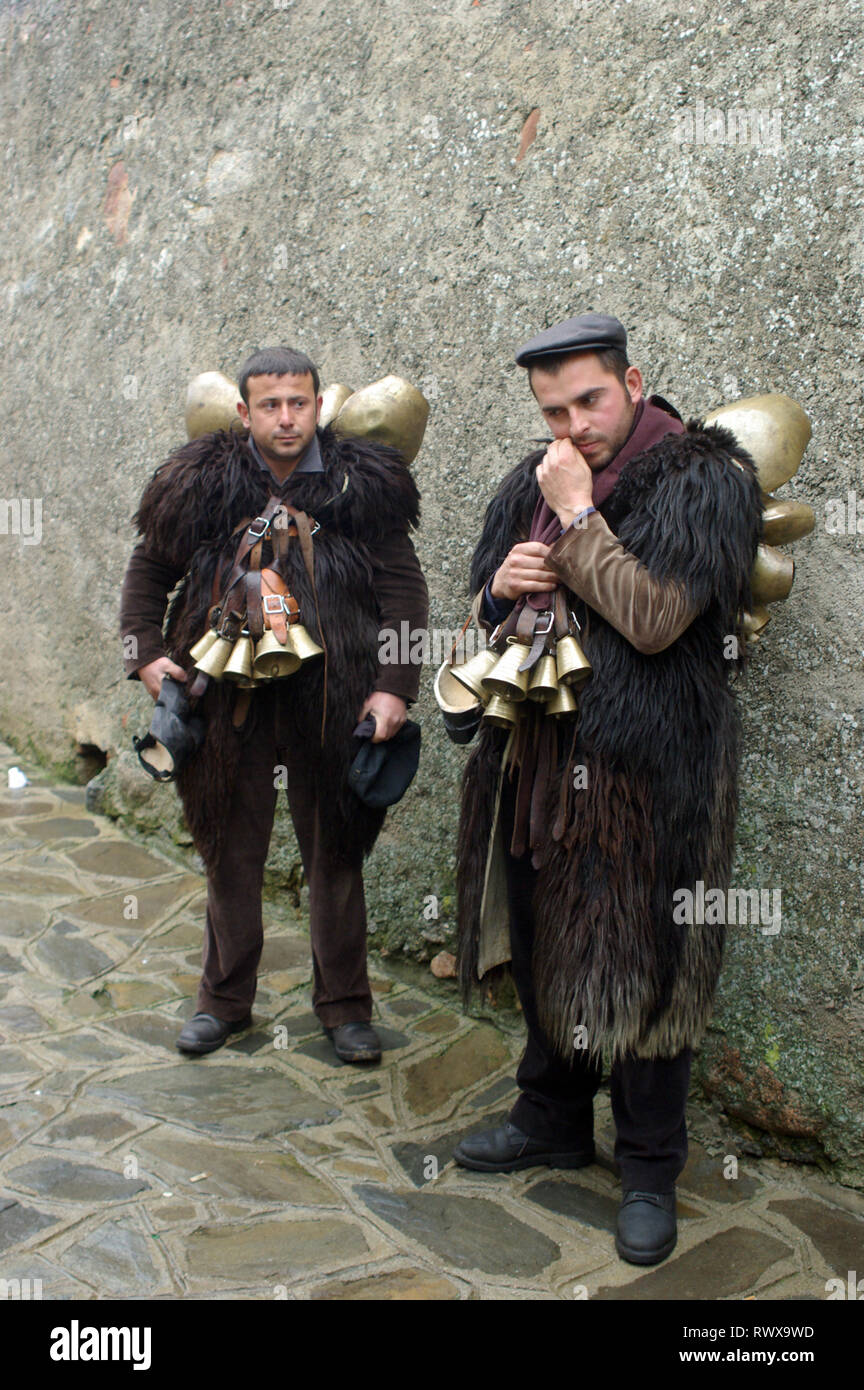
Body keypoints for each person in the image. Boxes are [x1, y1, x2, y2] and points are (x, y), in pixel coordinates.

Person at [452, 313, 762, 1264]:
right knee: (549, 943)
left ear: (633, 385)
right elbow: (483, 612)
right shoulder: (533, 480)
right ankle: (548, 1117)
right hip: (541, 761)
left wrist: (583, 518)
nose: (573, 425)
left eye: (589, 400)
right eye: (553, 410)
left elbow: (660, 618)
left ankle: (648, 1168)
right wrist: (500, 590)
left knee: (645, 967)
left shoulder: (704, 477)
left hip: (651, 775)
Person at [120, 346, 428, 1064]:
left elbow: (403, 593)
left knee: (337, 857)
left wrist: (394, 685)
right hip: (225, 702)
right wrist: (143, 653)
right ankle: (222, 1002)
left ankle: (346, 1009)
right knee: (230, 852)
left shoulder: (363, 484)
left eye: (299, 403)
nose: (286, 418)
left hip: (335, 697)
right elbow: (148, 570)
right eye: (270, 405)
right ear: (244, 410)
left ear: (319, 405)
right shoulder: (201, 482)